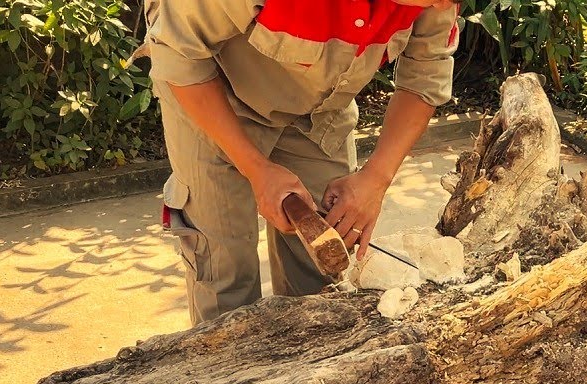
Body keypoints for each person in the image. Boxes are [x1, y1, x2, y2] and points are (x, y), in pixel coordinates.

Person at [140, 0, 460, 324]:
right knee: (226, 287)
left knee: (325, 281)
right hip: (214, 95)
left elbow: (425, 77)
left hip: (319, 111)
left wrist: (375, 179)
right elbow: (179, 55)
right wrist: (256, 169)